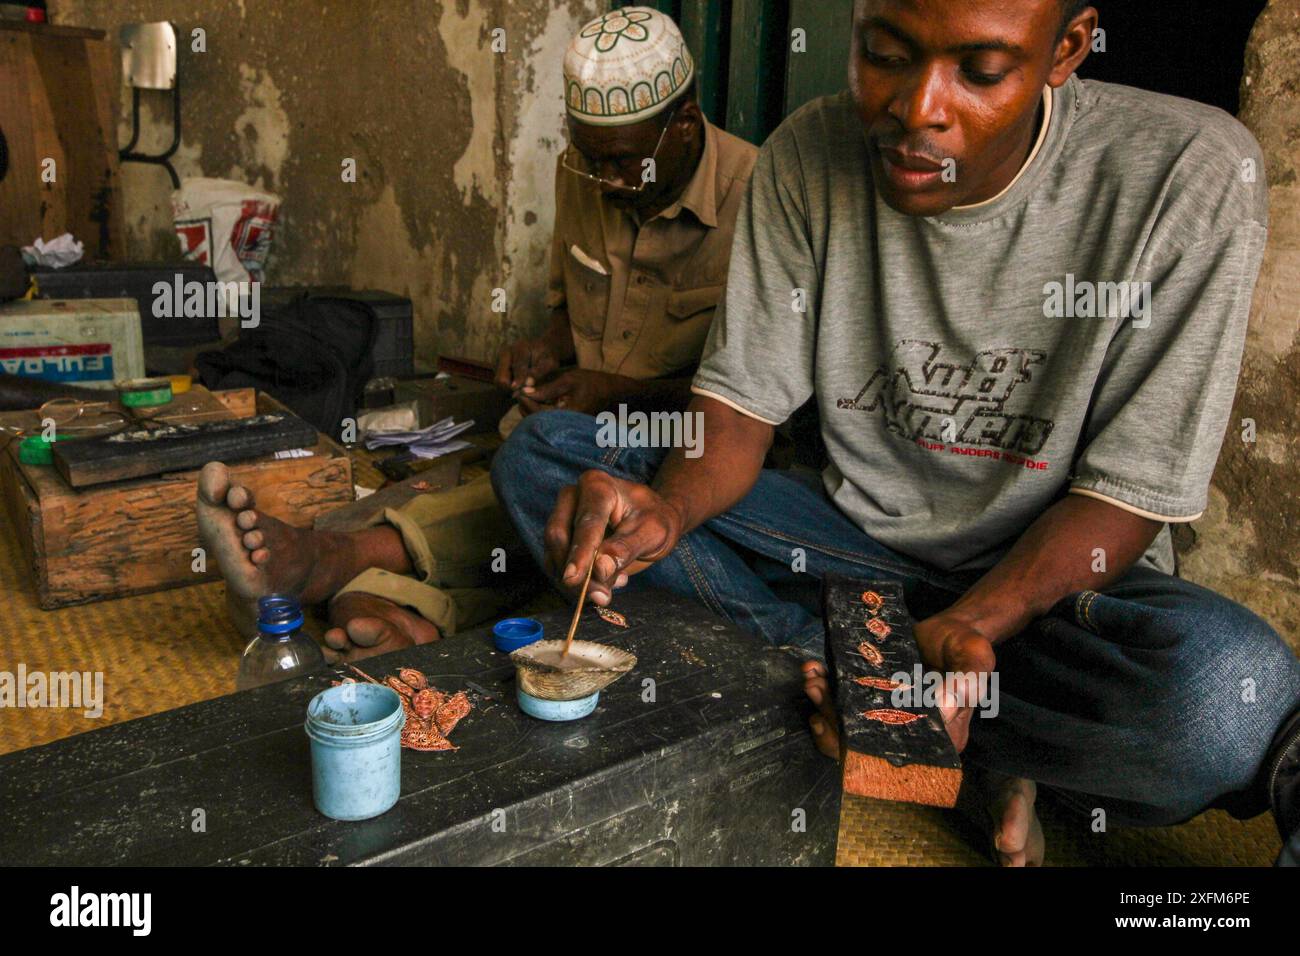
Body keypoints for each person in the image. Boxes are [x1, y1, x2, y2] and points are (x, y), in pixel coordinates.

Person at [491, 0, 1300, 866]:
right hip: (847, 548)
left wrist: (969, 628)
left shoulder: (1188, 172)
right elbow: (735, 414)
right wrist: (669, 511)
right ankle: (891, 701)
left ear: (1066, 49)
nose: (917, 110)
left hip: (1052, 587)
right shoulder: (807, 153)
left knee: (1224, 702)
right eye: (884, 54)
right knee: (550, 459)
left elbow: (1126, 497)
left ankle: (857, 691)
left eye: (981, 72)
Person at [197, 7, 757, 662]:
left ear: (684, 125)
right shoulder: (587, 170)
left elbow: (749, 415)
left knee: (545, 476)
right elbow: (571, 311)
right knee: (534, 482)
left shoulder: (760, 198)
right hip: (577, 441)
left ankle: (336, 565)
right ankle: (401, 610)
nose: (604, 180)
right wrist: (546, 350)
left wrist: (613, 394)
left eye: (624, 164)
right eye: (590, 157)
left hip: (684, 459)